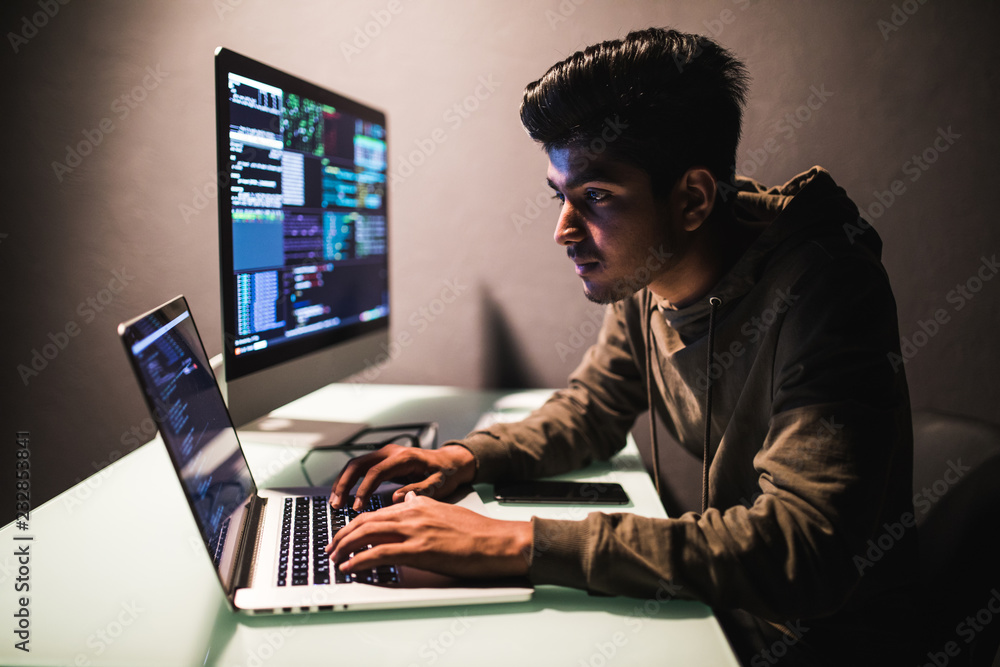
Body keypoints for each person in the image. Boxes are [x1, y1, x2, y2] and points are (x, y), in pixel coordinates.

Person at [327, 28, 915, 665]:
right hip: (715, 612)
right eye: (560, 197)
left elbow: (806, 551)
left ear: (691, 198)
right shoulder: (648, 273)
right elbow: (591, 408)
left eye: (596, 197)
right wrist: (466, 458)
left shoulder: (827, 288)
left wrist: (512, 543)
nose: (563, 231)